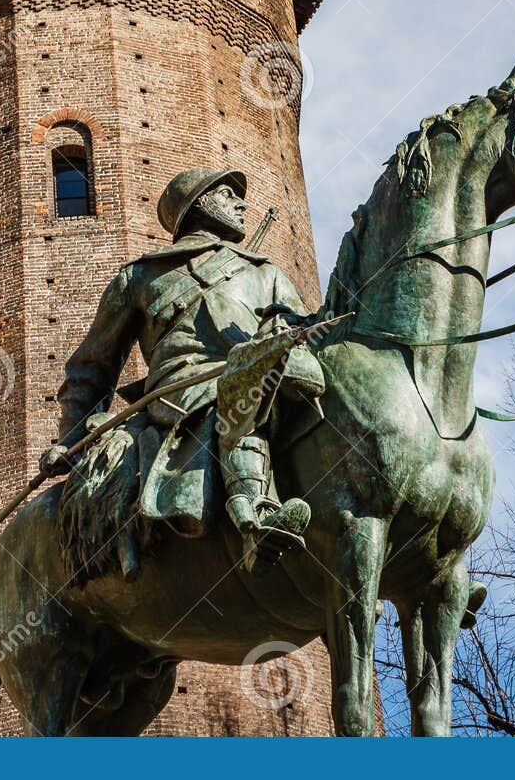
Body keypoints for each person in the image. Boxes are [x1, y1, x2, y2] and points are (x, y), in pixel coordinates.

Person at [43, 168, 325, 570]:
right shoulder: (143, 277)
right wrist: (70, 438)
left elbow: (303, 334)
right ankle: (254, 519)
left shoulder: (267, 273)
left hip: (267, 373)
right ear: (199, 205)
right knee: (239, 392)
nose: (242, 203)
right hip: (186, 385)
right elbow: (93, 365)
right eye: (228, 195)